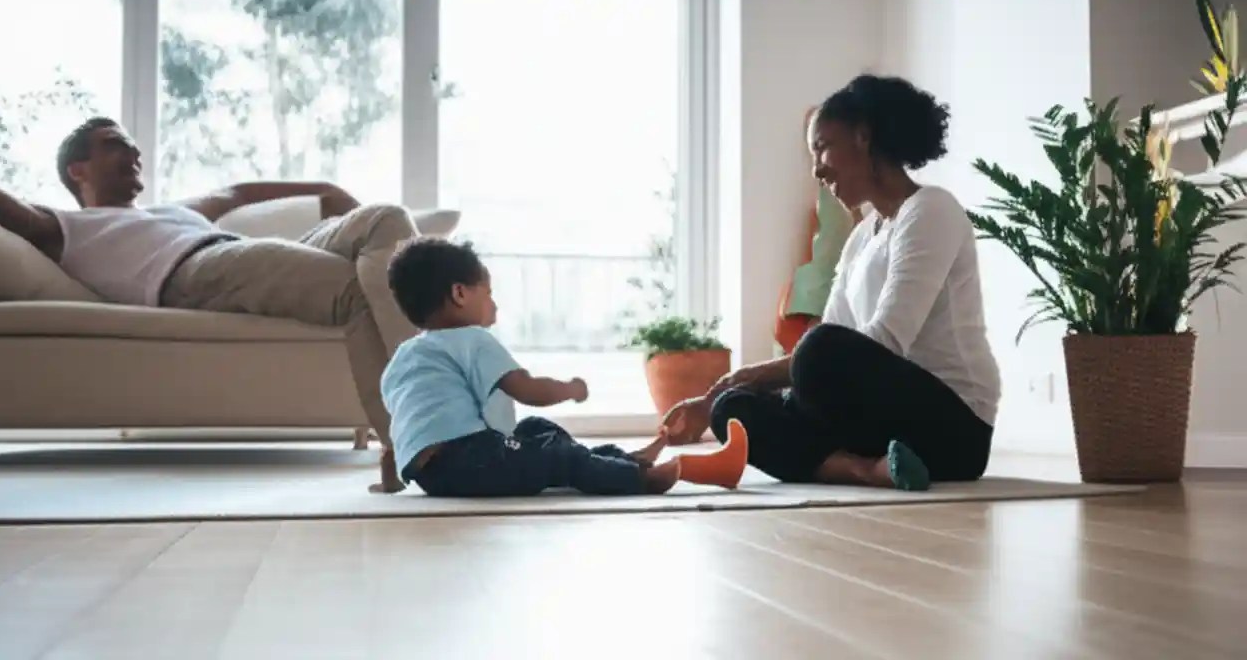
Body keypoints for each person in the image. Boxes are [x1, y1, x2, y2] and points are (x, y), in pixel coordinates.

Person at [0, 117, 419, 492]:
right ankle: (422, 438)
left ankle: (439, 410)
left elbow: (237, 193)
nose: (133, 153)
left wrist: (325, 189)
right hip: (193, 270)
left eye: (132, 145)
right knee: (352, 288)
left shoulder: (175, 210)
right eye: (113, 145)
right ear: (77, 170)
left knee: (387, 218)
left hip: (239, 250)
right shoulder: (66, 225)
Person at [663, 74, 1001, 492]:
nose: (817, 169)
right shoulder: (863, 235)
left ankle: (838, 460)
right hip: (880, 421)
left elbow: (877, 344)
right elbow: (832, 337)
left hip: (953, 430)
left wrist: (743, 376)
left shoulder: (931, 210)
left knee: (817, 351)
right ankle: (865, 470)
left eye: (822, 147)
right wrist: (724, 394)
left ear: (863, 136)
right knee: (732, 411)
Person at [381, 236, 750, 497]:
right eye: (488, 292)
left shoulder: (404, 357)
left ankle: (625, 460)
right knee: (557, 456)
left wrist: (391, 478)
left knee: (536, 431)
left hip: (434, 475)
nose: (493, 304)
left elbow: (403, 430)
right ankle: (640, 480)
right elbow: (526, 389)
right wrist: (570, 389)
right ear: (460, 294)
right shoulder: (472, 339)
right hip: (470, 462)